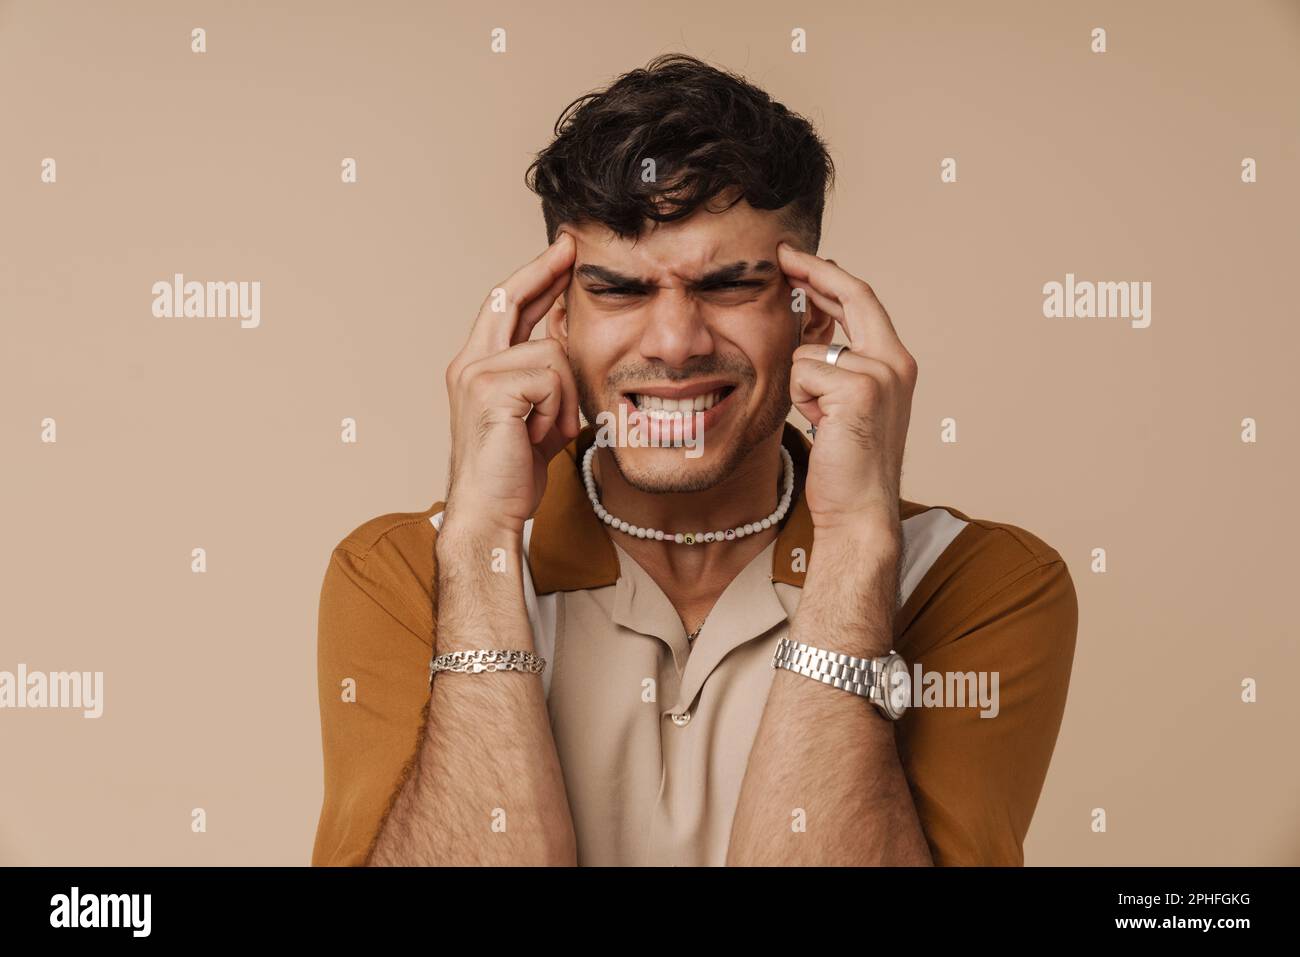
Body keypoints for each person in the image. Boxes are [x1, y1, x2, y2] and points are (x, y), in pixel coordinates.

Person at [311, 53, 1078, 866]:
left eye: (728, 286)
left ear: (812, 315)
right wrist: (479, 541)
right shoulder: (405, 574)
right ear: (556, 320)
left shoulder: (978, 582)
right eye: (620, 291)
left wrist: (855, 542)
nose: (675, 344)